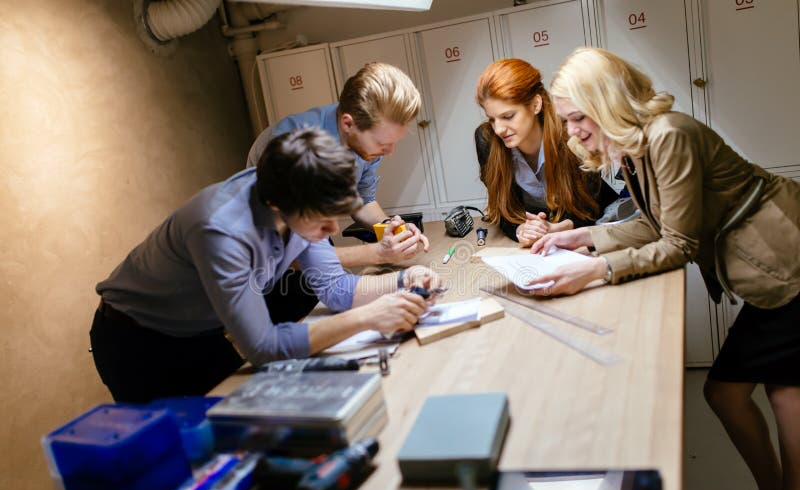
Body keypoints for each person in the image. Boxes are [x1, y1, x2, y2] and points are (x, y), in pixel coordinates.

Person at [531, 47, 800, 490]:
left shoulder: (669, 134)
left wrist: (594, 271)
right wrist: (583, 236)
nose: (571, 132)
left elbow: (677, 243)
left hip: (789, 264)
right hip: (776, 272)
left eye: (575, 118)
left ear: (605, 101)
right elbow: (655, 225)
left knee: (770, 393)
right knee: (748, 393)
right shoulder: (639, 146)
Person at [91, 127, 440, 404]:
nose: (334, 230)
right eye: (323, 219)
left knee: (236, 421)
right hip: (136, 340)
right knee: (179, 457)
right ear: (277, 204)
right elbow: (264, 348)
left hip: (200, 331)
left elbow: (335, 288)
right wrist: (369, 317)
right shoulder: (219, 229)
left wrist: (403, 281)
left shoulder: (299, 202)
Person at [248, 62, 429, 267]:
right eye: (382, 144)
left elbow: (361, 200)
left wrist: (391, 228)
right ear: (348, 124)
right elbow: (288, 255)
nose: (389, 152)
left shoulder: (365, 141)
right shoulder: (290, 146)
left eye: (393, 143)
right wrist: (379, 253)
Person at [474, 58, 620, 247]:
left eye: (508, 116)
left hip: (587, 219)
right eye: (492, 119)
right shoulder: (487, 139)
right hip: (536, 232)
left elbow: (590, 204)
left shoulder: (571, 130)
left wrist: (558, 228)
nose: (499, 129)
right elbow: (503, 207)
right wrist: (520, 229)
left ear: (535, 104)